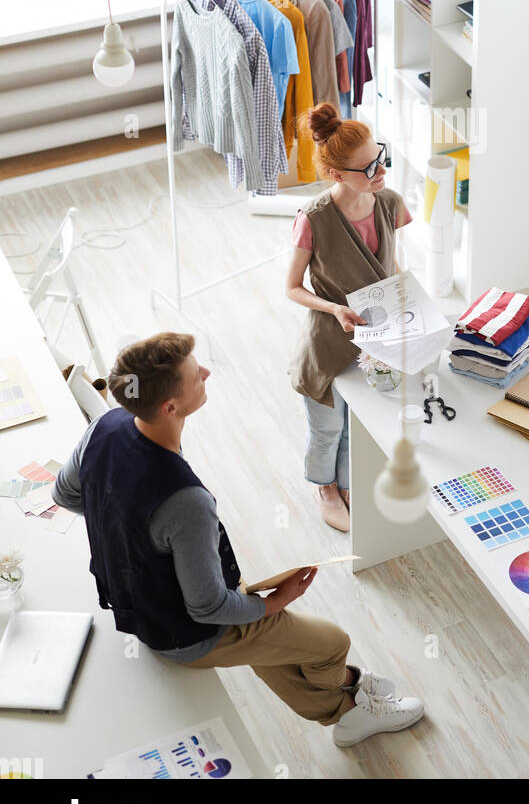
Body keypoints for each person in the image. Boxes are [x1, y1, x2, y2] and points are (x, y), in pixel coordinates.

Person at [51, 331, 425, 748]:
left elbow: (64, 494)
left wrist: (128, 532)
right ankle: (350, 684)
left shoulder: (105, 424)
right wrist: (275, 602)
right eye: (196, 374)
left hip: (138, 607)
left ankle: (346, 713)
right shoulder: (185, 500)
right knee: (331, 644)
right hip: (187, 635)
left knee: (276, 649)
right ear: (170, 406)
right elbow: (208, 607)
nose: (207, 372)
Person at [286, 102, 412, 532]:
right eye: (368, 168)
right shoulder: (314, 220)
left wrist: (410, 301)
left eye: (381, 157)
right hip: (328, 342)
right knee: (327, 426)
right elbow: (292, 287)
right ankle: (326, 487)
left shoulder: (389, 203)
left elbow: (391, 263)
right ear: (337, 175)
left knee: (355, 426)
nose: (380, 171)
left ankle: (348, 482)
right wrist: (335, 307)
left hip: (374, 339)